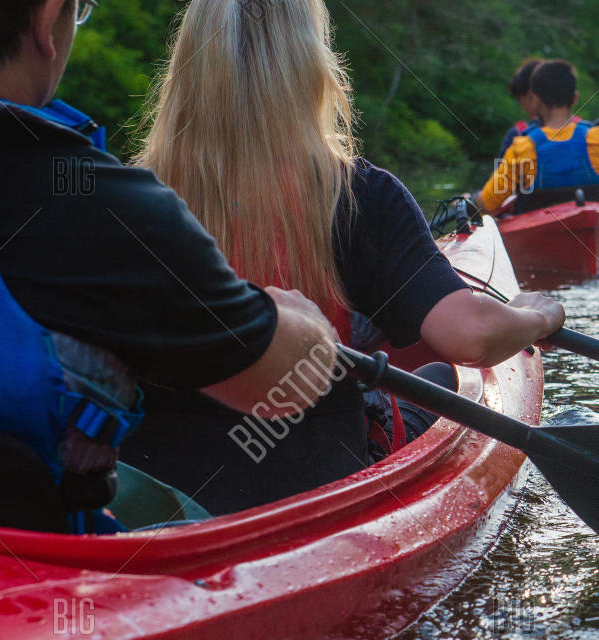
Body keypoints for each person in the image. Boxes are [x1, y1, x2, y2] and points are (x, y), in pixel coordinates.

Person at [0, 0, 345, 532]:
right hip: (28, 583)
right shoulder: (98, 202)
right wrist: (304, 322)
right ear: (46, 19)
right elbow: (275, 381)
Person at [126, 0, 565, 513]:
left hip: (166, 487)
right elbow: (471, 337)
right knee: (442, 379)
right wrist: (537, 315)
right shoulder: (360, 195)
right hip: (317, 478)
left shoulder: (127, 198)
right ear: (313, 64)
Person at [477, 59, 599, 216]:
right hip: (596, 219)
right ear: (575, 98)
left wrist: (472, 200)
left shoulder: (521, 148)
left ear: (536, 100)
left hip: (538, 231)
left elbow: (487, 204)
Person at [497, 58, 542, 159]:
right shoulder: (584, 132)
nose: (521, 106)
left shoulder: (517, 135)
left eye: (519, 99)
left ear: (532, 96)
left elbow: (501, 174)